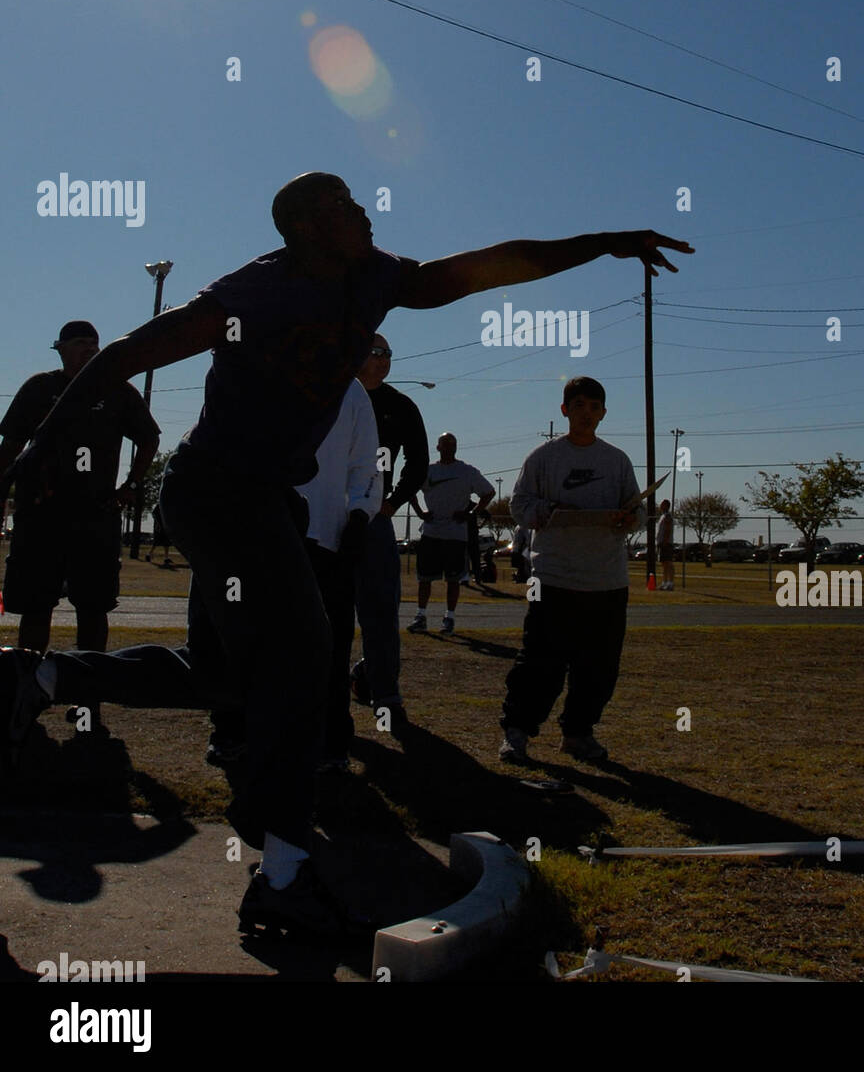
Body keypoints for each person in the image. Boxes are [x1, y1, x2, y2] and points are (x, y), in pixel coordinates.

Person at [0, 171, 692, 938]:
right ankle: (284, 875)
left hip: (264, 501)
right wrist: (41, 442)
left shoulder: (378, 277)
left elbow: (491, 265)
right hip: (215, 491)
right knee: (304, 654)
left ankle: (39, 675)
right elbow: (131, 352)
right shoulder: (258, 289)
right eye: (340, 204)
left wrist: (602, 244)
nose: (361, 210)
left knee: (234, 676)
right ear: (301, 228)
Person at [499, 376, 640, 765]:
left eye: (595, 407)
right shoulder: (543, 459)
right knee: (540, 661)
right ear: (564, 410)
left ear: (604, 414)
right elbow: (519, 506)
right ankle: (517, 732)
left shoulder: (617, 461)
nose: (587, 414)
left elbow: (637, 511)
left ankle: (578, 733)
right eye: (579, 405)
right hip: (552, 579)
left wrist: (629, 518)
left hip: (607, 583)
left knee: (598, 667)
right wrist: (551, 514)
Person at [0, 321, 159, 654]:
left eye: (94, 343)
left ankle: (88, 697)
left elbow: (149, 438)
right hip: (41, 516)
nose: (90, 349)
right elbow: (11, 445)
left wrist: (130, 485)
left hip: (95, 515)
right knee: (35, 607)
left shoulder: (116, 389)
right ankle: (30, 687)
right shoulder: (39, 389)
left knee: (93, 607)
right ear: (61, 349)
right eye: (80, 342)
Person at [297, 378, 382, 771]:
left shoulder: (351, 392)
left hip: (330, 539)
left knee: (331, 645)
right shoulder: (269, 369)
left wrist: (360, 514)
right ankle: (248, 736)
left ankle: (331, 742)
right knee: (267, 643)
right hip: (272, 534)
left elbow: (366, 463)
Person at [350, 334, 429, 731]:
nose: (382, 360)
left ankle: (386, 696)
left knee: (380, 610)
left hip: (374, 522)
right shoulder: (332, 393)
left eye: (388, 354)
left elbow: (418, 462)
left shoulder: (399, 406)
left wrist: (392, 503)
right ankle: (319, 695)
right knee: (323, 611)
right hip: (325, 518)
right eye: (374, 351)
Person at [409, 434, 493, 634]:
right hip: (431, 533)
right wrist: (421, 512)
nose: (449, 447)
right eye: (445, 444)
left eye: (453, 444)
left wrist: (471, 514)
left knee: (453, 579)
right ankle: (421, 616)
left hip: (456, 534)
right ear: (438, 447)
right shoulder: (429, 471)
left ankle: (449, 618)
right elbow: (409, 490)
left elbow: (488, 492)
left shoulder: (466, 471)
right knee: (425, 578)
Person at [655, 498, 674, 590]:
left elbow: (667, 530)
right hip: (661, 543)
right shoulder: (662, 516)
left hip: (666, 543)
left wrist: (665, 541)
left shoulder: (667, 516)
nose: (660, 506)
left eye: (662, 504)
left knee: (668, 563)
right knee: (663, 564)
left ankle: (670, 582)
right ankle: (664, 582)